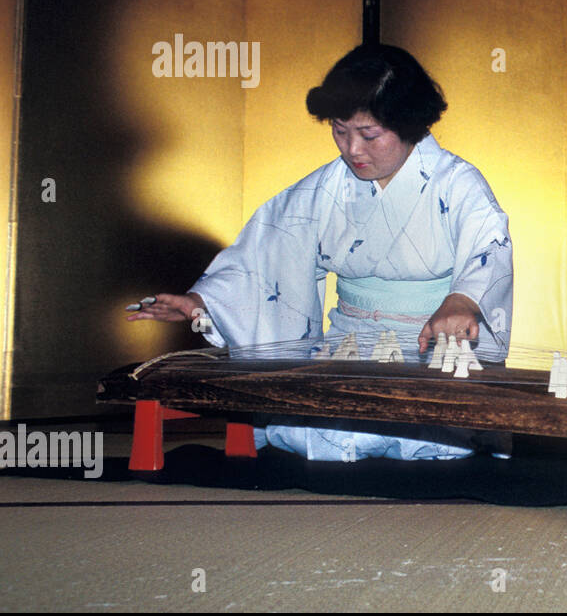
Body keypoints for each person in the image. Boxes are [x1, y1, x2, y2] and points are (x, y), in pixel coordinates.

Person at [127, 43, 514, 459]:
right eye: (339, 130)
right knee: (309, 427)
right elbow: (265, 253)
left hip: (432, 351)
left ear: (410, 124)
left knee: (432, 432)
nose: (352, 150)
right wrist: (201, 300)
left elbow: (488, 246)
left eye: (369, 134)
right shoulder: (327, 187)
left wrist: (461, 300)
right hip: (350, 349)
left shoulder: (456, 183)